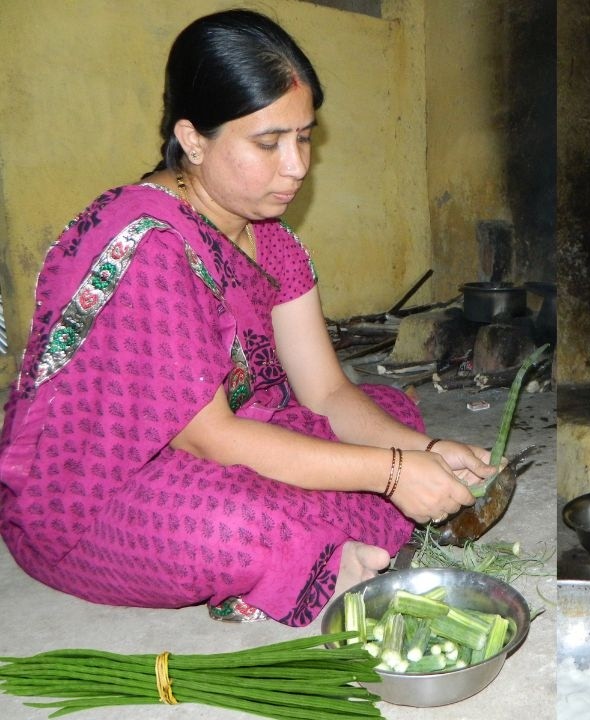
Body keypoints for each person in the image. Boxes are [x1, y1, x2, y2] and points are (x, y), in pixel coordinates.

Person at [0, 9, 495, 626]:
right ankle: (308, 556)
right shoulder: (149, 243)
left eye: (305, 137)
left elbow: (326, 390)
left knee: (389, 411)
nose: (297, 165)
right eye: (268, 143)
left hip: (237, 434)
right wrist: (392, 474)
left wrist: (428, 451)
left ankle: (317, 548)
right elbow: (210, 438)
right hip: (113, 481)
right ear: (192, 139)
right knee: (232, 526)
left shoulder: (271, 240)